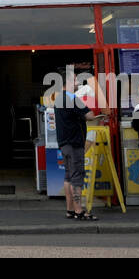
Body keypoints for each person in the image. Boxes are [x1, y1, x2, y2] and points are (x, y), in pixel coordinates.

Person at [52, 80, 107, 221]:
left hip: (64, 143)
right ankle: (79, 211)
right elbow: (88, 115)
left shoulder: (59, 98)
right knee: (77, 177)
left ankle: (70, 210)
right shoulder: (72, 98)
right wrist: (96, 116)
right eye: (75, 79)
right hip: (75, 143)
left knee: (68, 176)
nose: (78, 82)